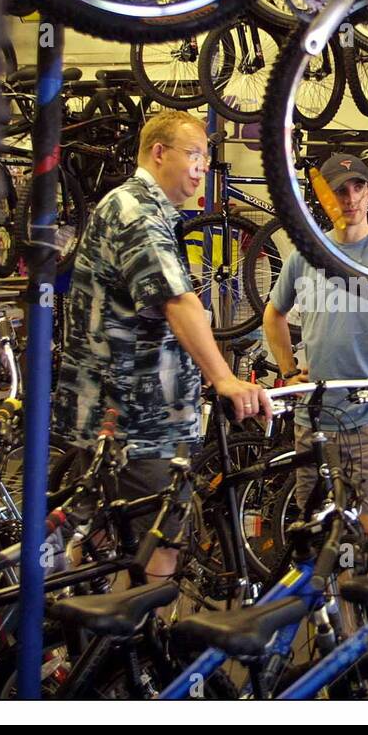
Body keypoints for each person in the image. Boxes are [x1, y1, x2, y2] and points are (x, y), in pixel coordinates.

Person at [52, 110, 271, 582]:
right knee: (160, 550)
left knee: (89, 539)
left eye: (205, 159)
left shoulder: (136, 210)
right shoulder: (136, 213)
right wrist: (225, 379)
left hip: (118, 420)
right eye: (193, 155)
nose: (200, 169)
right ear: (158, 152)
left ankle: (67, 640)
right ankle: (137, 650)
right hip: (139, 424)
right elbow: (177, 300)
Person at [263, 153, 368, 568]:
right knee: (318, 536)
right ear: (326, 199)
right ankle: (331, 631)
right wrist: (286, 369)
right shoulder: (306, 255)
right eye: (340, 190)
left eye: (359, 188)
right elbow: (274, 314)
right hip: (315, 421)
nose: (350, 198)